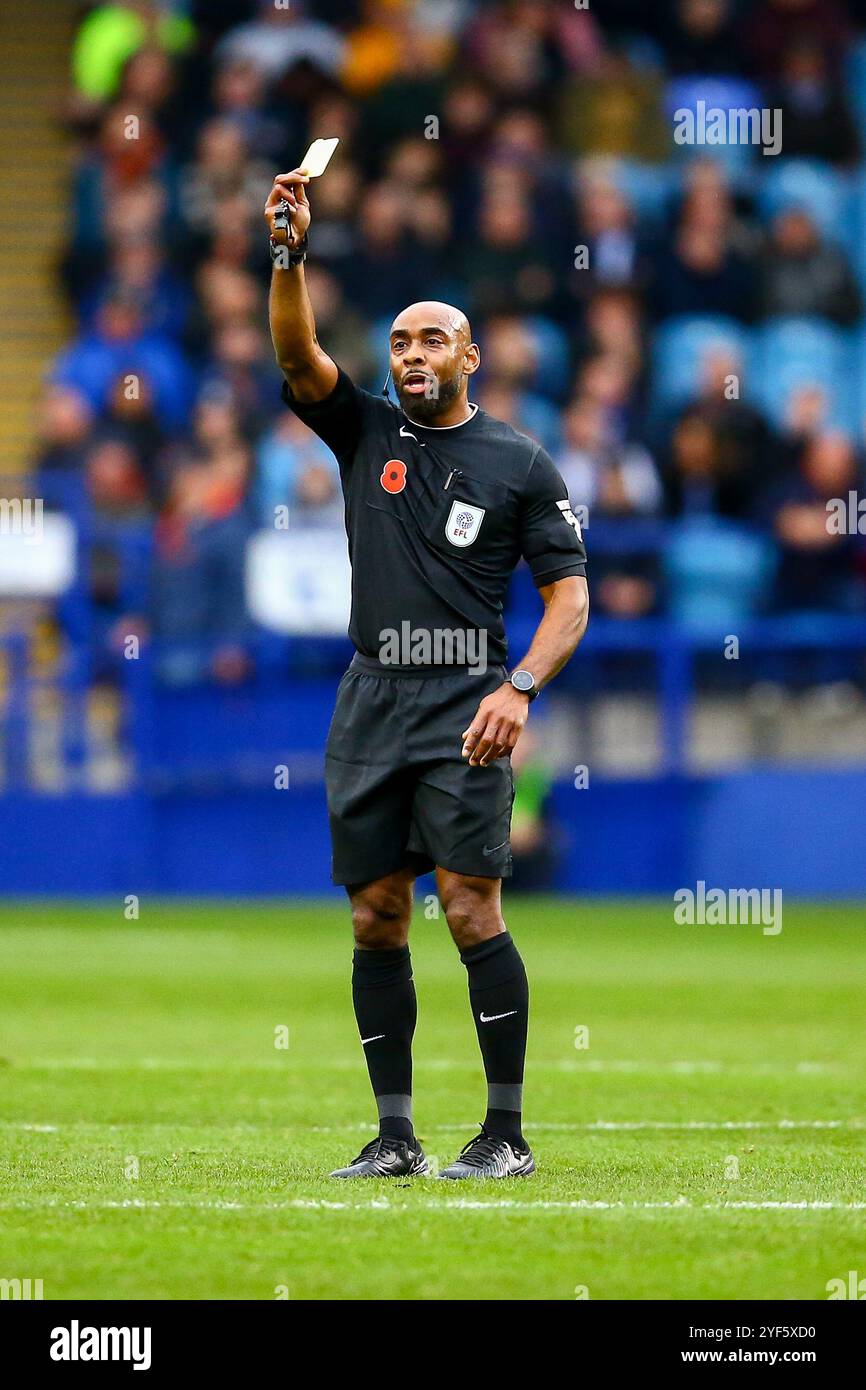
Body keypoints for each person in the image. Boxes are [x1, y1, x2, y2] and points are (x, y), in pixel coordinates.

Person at [265, 167, 589, 1181]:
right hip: (371, 694)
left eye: (432, 340)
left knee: (470, 905)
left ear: (469, 357)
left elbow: (570, 600)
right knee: (375, 912)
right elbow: (296, 353)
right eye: (401, 341)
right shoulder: (363, 431)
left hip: (465, 698)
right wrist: (287, 255)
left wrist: (518, 688)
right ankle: (395, 1135)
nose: (412, 354)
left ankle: (505, 1135)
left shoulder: (519, 463)